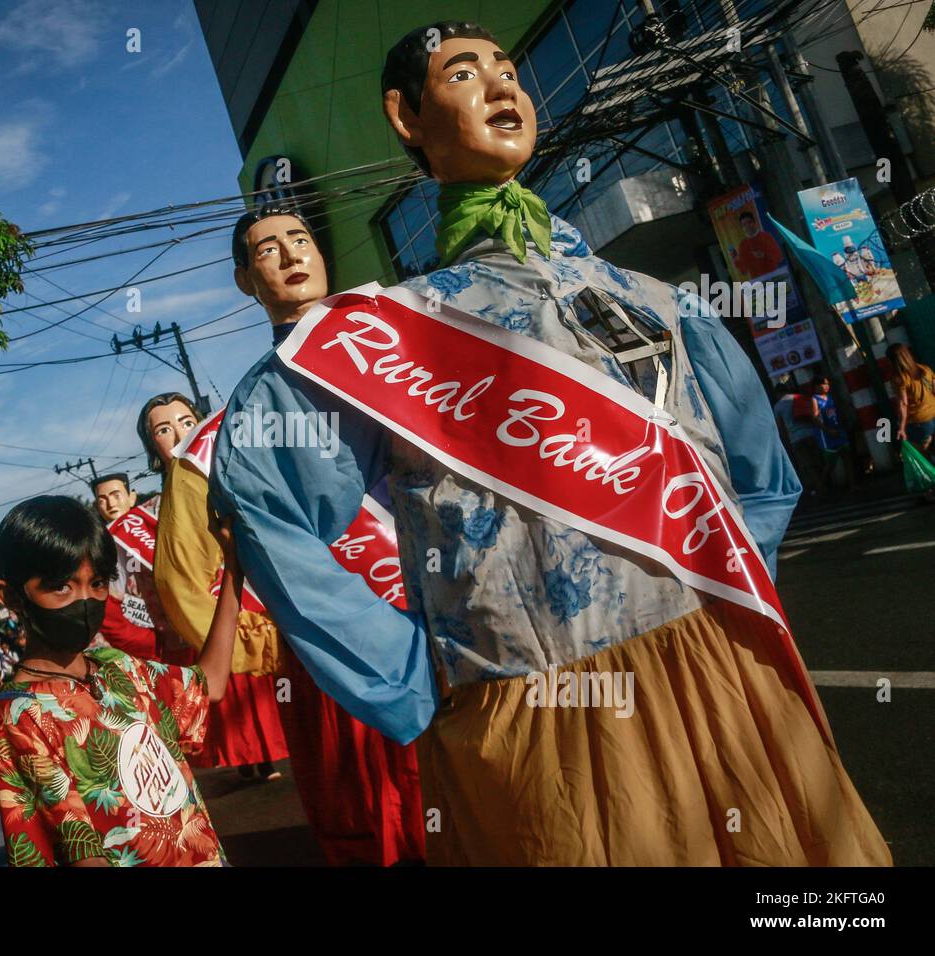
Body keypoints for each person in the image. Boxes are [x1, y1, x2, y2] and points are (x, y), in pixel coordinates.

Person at [209, 20, 887, 865]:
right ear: (404, 117)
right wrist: (404, 676)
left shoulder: (649, 296)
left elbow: (760, 472)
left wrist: (723, 587)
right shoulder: (387, 336)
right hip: (543, 721)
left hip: (727, 678)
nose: (502, 87)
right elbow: (266, 503)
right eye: (464, 74)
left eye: (509, 69)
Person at [153, 205, 425, 864]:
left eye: (300, 239)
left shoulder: (405, 352)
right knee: (373, 830)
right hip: (336, 661)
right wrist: (290, 639)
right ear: (245, 280)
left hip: (448, 631)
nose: (290, 254)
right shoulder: (221, 436)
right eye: (266, 250)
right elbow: (182, 585)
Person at [0, 495, 242, 866]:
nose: (85, 600)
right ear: (10, 596)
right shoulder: (21, 715)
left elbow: (210, 683)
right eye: (61, 586)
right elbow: (84, 853)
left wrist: (234, 568)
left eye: (98, 583)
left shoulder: (116, 668)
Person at [138, 391, 289, 780]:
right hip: (236, 617)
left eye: (187, 422)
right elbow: (178, 584)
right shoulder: (174, 492)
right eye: (164, 429)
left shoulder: (233, 464)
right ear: (153, 447)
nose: (179, 433)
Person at [772, 381, 823, 497]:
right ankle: (826, 482)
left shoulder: (778, 406)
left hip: (795, 438)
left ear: (777, 394)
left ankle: (817, 486)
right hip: (811, 433)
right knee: (817, 459)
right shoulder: (799, 398)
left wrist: (785, 441)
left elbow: (780, 427)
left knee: (806, 464)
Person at [809, 375, 858, 491]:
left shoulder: (830, 397)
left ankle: (853, 485)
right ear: (816, 386)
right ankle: (819, 488)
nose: (826, 386)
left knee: (847, 458)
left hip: (839, 431)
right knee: (830, 464)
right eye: (823, 384)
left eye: (827, 384)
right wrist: (828, 430)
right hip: (827, 435)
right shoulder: (814, 399)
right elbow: (815, 418)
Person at [887, 342, 935, 459]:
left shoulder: (899, 379)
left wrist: (902, 427)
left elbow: (903, 404)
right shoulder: (925, 369)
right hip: (933, 414)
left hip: (919, 422)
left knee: (922, 457)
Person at [731, 208, 784, 279]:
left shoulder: (766, 237)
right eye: (744, 225)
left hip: (774, 277)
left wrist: (764, 255)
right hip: (758, 284)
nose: (747, 226)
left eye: (749, 222)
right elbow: (744, 270)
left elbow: (779, 258)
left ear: (755, 222)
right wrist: (735, 259)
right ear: (742, 228)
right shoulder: (742, 245)